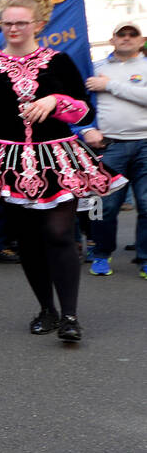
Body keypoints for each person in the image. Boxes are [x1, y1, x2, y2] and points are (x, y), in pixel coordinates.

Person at [0, 0, 126, 341]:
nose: (13, 28)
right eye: (7, 23)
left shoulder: (58, 61)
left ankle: (69, 316)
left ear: (39, 24)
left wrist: (54, 100)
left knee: (60, 233)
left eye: (21, 22)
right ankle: (46, 310)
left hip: (58, 158)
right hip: (9, 161)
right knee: (29, 240)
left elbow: (85, 110)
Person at [84, 19, 147, 277]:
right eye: (122, 33)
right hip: (109, 146)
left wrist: (109, 85)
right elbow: (80, 106)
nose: (127, 37)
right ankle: (101, 253)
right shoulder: (94, 68)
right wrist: (87, 129)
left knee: (146, 204)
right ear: (112, 39)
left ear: (141, 40)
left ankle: (144, 258)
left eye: (133, 34)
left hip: (144, 143)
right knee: (103, 205)